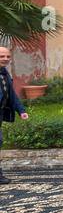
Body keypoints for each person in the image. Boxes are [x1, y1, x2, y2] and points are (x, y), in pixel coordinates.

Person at [0, 46, 30, 183]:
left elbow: (11, 95)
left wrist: (21, 111)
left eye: (7, 56)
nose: (5, 59)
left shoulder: (5, 74)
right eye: (2, 56)